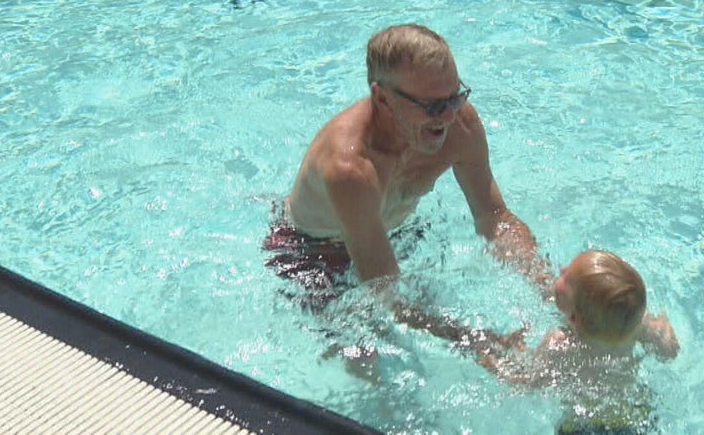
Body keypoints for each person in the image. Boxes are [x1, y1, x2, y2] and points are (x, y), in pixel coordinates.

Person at [268, 24, 552, 307]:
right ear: (382, 99)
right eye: (432, 106)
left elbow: (493, 216)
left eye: (455, 97)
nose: (449, 115)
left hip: (391, 232)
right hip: (313, 252)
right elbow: (385, 293)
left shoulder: (460, 124)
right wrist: (475, 339)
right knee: (365, 346)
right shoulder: (350, 168)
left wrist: (548, 289)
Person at [463, 250, 679, 434]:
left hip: (581, 427)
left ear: (574, 319)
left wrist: (493, 361)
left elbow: (529, 380)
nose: (562, 269)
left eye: (565, 279)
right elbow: (670, 351)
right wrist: (664, 330)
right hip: (636, 417)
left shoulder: (560, 344)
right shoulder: (638, 325)